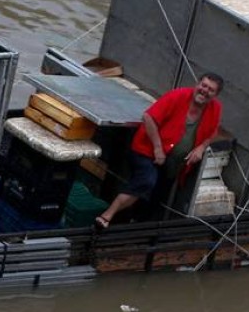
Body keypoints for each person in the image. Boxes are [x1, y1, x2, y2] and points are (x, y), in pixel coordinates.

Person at [95, 72, 225, 229]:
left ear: (216, 95)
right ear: (197, 84)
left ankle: (137, 228)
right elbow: (149, 117)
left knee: (158, 196)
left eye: (210, 90)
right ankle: (107, 216)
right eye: (203, 85)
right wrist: (157, 148)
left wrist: (201, 147)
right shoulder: (177, 96)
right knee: (146, 181)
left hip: (172, 162)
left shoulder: (215, 109)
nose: (205, 91)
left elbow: (212, 131)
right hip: (147, 151)